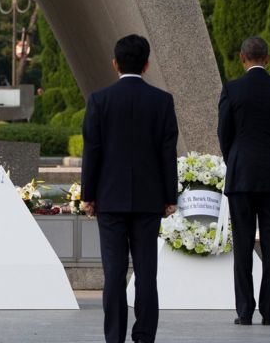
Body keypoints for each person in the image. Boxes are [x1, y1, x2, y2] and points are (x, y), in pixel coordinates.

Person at [81, 34, 178, 343]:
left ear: (115, 64)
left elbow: (92, 151)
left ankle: (114, 336)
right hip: (149, 200)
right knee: (146, 272)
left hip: (109, 199)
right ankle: (144, 335)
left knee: (114, 272)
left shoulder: (99, 100)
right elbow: (167, 153)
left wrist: (87, 195)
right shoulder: (162, 101)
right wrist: (170, 197)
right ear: (147, 64)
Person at [218, 36, 270, 326]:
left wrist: (235, 160)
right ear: (268, 58)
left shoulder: (232, 90)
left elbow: (224, 133)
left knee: (243, 244)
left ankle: (244, 310)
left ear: (242, 58)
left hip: (242, 177)